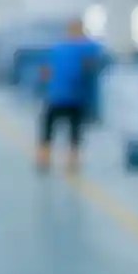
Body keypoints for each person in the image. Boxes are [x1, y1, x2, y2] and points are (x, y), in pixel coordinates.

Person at [36, 18, 103, 173]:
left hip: (57, 96)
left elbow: (45, 72)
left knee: (48, 127)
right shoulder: (88, 48)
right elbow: (98, 58)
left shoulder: (58, 48)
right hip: (75, 96)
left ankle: (45, 158)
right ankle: (71, 161)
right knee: (75, 129)